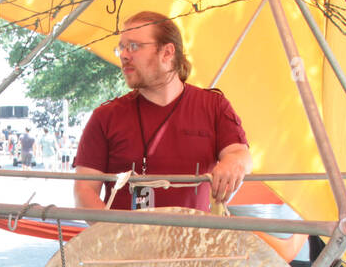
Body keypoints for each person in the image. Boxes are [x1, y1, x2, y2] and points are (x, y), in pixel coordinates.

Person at [74, 11, 252, 212]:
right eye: (121, 47)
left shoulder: (214, 106)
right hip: (125, 241)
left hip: (192, 241)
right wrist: (114, 234)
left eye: (133, 46)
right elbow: (84, 191)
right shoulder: (105, 116)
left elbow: (240, 154)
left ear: (167, 53)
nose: (124, 55)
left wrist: (234, 162)